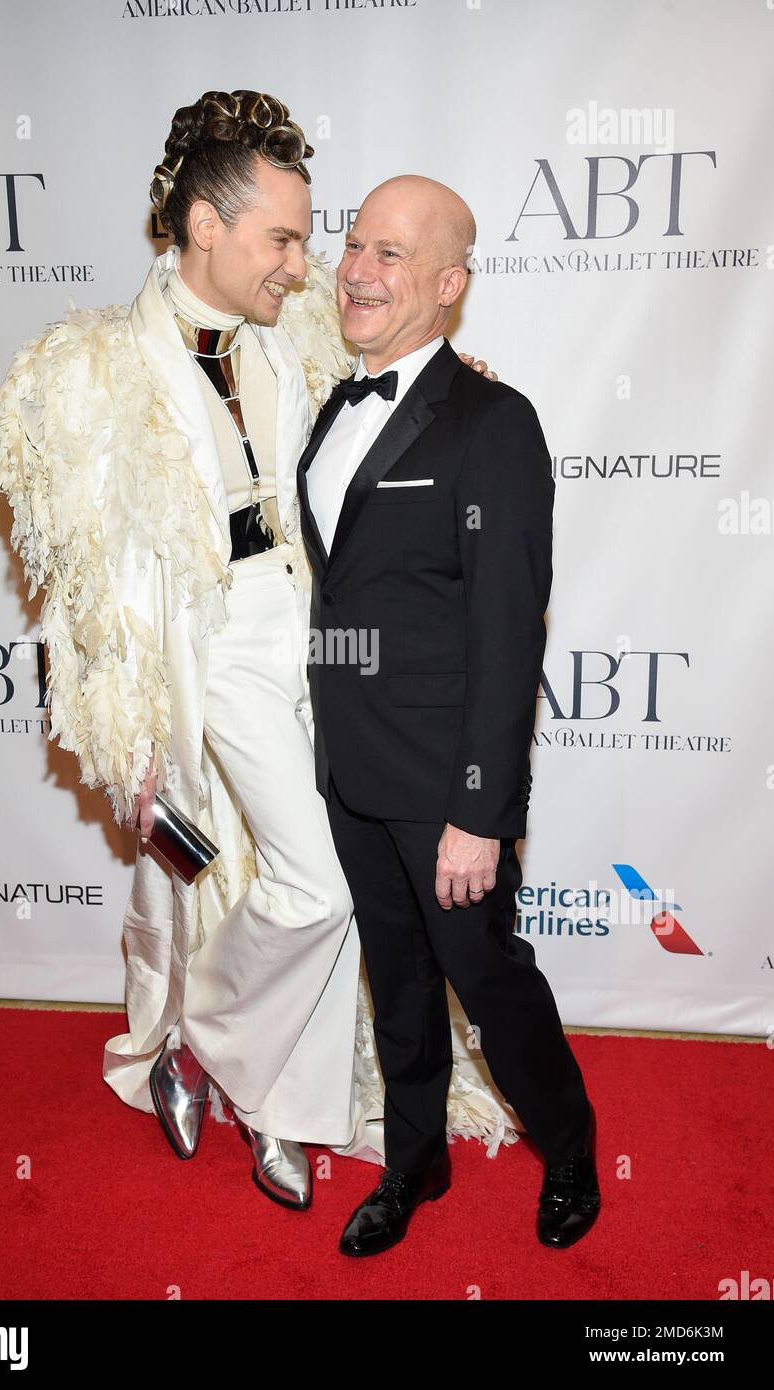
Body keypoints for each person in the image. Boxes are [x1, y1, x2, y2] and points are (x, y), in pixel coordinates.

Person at [0, 90, 505, 1215]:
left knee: (341, 881)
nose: (305, 262)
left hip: (325, 631)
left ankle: (257, 1088)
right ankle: (216, 1051)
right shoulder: (94, 373)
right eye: (282, 237)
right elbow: (80, 586)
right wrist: (128, 743)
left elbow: (401, 388)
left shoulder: (299, 326)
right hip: (208, 648)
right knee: (313, 886)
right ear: (203, 225)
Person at [297, 174, 600, 1253]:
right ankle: (413, 1160)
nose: (359, 270)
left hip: (447, 789)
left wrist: (482, 810)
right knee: (402, 988)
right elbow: (344, 596)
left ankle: (566, 1143)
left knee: (487, 979)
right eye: (355, 245)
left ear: (449, 284)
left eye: (391, 254)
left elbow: (510, 632)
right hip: (353, 774)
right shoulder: (335, 403)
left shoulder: (495, 423)